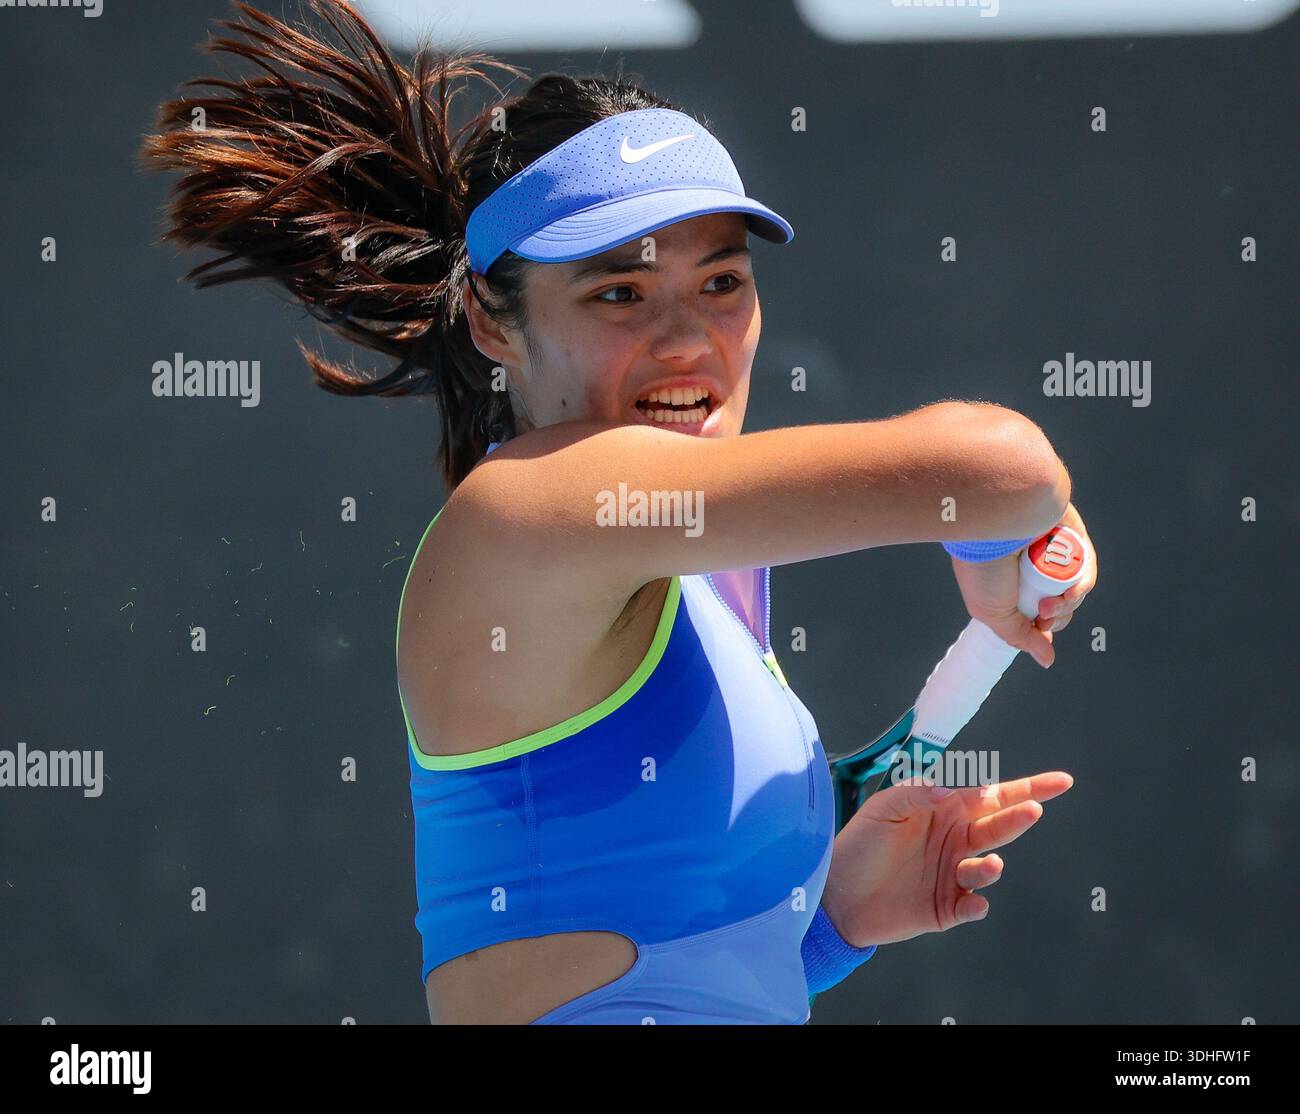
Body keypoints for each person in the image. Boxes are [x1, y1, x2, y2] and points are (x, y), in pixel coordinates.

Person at [142, 0, 1095, 1024]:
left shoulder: (702, 564)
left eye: (721, 281)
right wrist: (989, 538)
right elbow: (1004, 469)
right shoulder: (528, 510)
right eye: (618, 295)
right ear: (489, 322)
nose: (690, 339)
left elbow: (632, 974)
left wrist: (825, 927)